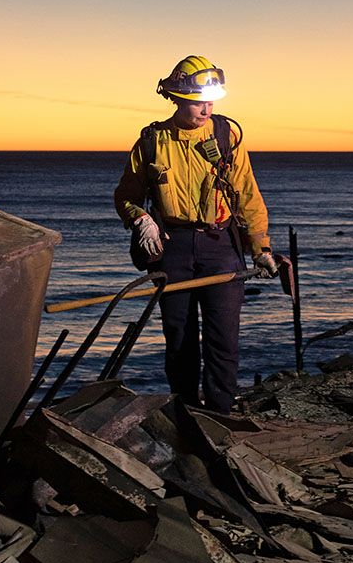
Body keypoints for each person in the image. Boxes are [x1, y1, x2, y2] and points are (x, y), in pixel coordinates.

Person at [114, 55, 277, 414]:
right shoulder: (151, 142)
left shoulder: (225, 135)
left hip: (220, 244)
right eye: (199, 101)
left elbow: (248, 193)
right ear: (177, 98)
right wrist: (141, 218)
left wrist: (261, 248)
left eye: (211, 100)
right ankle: (186, 412)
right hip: (172, 248)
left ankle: (218, 414)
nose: (207, 108)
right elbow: (125, 195)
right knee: (180, 339)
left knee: (223, 339)